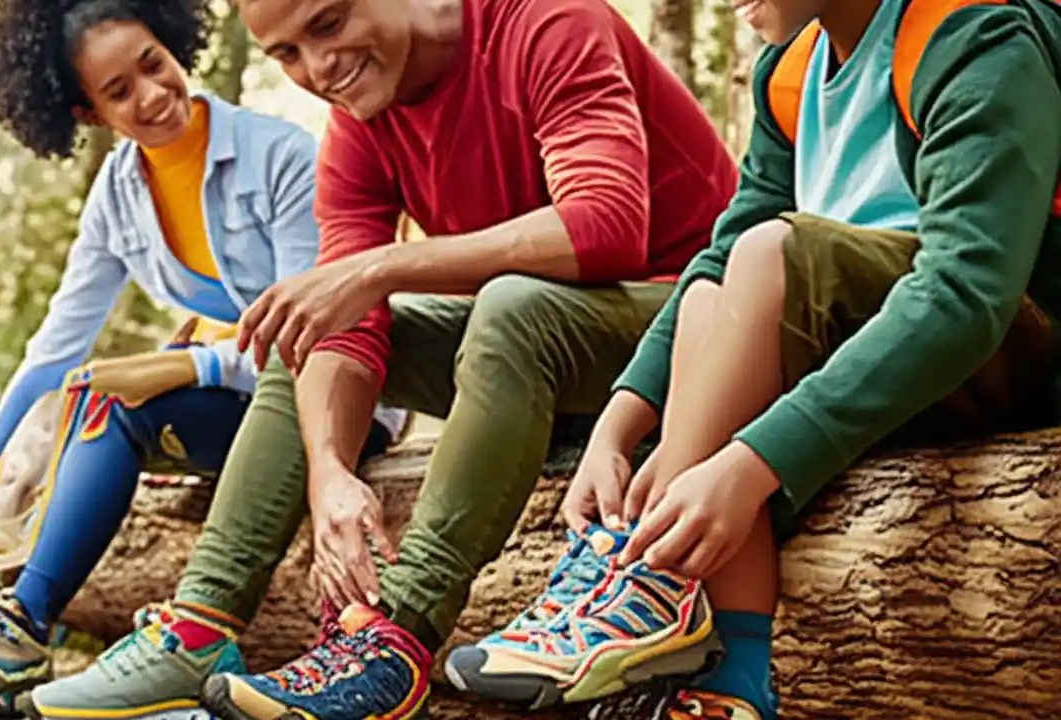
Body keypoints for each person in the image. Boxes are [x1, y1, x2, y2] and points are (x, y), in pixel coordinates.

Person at [28, 0, 734, 717]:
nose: (318, 68)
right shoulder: (359, 123)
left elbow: (606, 222)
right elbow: (344, 327)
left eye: (328, 25)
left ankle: (393, 641)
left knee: (512, 305)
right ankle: (198, 626)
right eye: (287, 55)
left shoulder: (547, 22)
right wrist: (329, 475)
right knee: (304, 324)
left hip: (696, 334)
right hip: (557, 354)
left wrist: (380, 268)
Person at [0, 0, 406, 715]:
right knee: (69, 389)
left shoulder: (281, 156)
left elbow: (321, 329)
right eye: (119, 92)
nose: (152, 94)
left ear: (174, 47)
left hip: (329, 407)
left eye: (154, 65)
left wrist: (186, 366)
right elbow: (49, 358)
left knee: (112, 396)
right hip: (236, 410)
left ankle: (17, 631)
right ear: (86, 114)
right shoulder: (118, 196)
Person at [449, 0, 1061, 717]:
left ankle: (647, 577)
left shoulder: (974, 35)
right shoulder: (791, 68)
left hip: (1008, 354)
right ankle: (728, 683)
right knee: (717, 288)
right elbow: (717, 258)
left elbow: (968, 295)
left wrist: (750, 463)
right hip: (864, 358)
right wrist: (618, 423)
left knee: (768, 250)